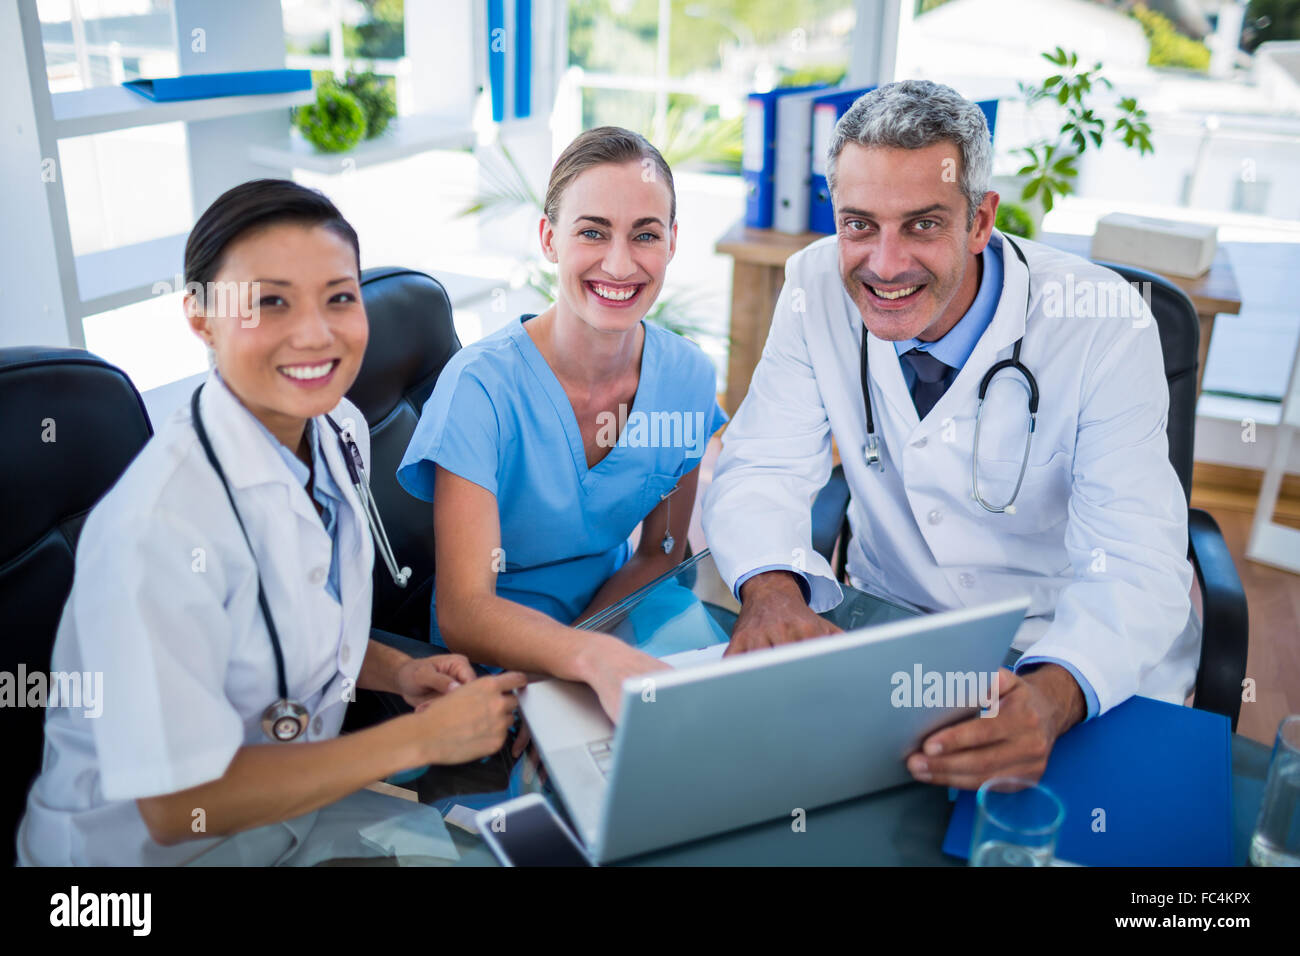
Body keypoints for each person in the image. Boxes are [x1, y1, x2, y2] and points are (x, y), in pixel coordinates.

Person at [703, 81, 1197, 790]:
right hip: (890, 631)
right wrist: (772, 589)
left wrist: (1053, 698)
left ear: (979, 220)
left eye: (923, 225)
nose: (885, 264)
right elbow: (761, 465)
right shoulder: (815, 284)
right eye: (859, 224)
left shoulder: (1103, 325)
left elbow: (1135, 562)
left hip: (1066, 647)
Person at [18, 179, 525, 866]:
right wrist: (419, 741)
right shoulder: (154, 528)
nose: (315, 333)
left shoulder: (336, 427)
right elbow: (175, 808)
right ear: (200, 317)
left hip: (290, 812)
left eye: (339, 298)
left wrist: (401, 673)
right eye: (270, 302)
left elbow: (299, 625)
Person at [398, 127, 728, 722]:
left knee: (717, 747)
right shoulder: (481, 387)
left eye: (645, 235)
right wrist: (571, 667)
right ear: (550, 239)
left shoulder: (686, 377)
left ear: (673, 243)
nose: (620, 263)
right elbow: (465, 609)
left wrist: (588, 654)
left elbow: (661, 551)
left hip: (620, 613)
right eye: (592, 232)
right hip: (499, 651)